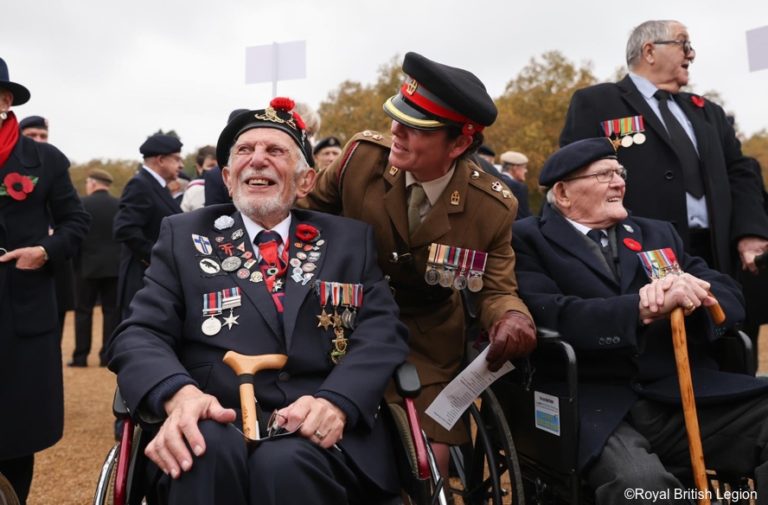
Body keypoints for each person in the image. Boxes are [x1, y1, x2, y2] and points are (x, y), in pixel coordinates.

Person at [108, 97, 409, 505]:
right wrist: (180, 395)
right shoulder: (182, 235)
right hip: (213, 415)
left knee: (283, 465)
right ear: (229, 178)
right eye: (245, 152)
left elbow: (382, 332)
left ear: (306, 181)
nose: (258, 161)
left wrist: (336, 402)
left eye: (276, 151)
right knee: (204, 449)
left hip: (314, 423)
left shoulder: (348, 241)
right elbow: (139, 334)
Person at [300, 51, 536, 474]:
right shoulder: (360, 159)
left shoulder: (492, 207)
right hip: (341, 324)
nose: (396, 132)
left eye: (415, 128)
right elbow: (305, 219)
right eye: (397, 118)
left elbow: (498, 288)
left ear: (459, 143)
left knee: (428, 461)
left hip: (424, 344)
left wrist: (512, 319)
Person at [512, 137, 768, 503]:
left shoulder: (656, 232)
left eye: (620, 172)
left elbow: (729, 294)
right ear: (564, 193)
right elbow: (550, 313)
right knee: (643, 488)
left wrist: (698, 292)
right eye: (604, 174)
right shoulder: (527, 239)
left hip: (680, 391)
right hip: (594, 403)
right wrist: (640, 309)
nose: (619, 182)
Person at [560, 19, 768, 278]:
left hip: (717, 256)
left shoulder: (708, 112)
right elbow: (575, 176)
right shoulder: (597, 103)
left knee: (721, 316)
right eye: (683, 44)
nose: (691, 53)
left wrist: (750, 231)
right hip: (638, 259)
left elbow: (741, 173)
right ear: (649, 52)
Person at [0, 56, 89, 504]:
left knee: (14, 433)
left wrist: (44, 251)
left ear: (5, 100)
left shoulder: (46, 159)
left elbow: (77, 222)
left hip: (21, 309)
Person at [19, 113, 76, 341]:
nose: (39, 140)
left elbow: (72, 218)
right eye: (32, 135)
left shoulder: (55, 170)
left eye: (43, 135)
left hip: (52, 266)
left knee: (51, 336)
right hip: (17, 269)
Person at [113, 133, 183, 321]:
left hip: (154, 278)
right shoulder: (140, 184)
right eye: (176, 159)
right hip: (141, 279)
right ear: (160, 160)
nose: (181, 165)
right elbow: (125, 228)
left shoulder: (157, 186)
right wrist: (156, 256)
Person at [71, 168, 120, 367]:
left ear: (92, 183)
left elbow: (75, 235)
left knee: (83, 311)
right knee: (111, 313)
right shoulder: (119, 205)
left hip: (86, 266)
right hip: (114, 267)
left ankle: (80, 356)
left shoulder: (82, 204)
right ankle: (107, 356)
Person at [181, 145, 217, 212]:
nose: (216, 170)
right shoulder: (193, 190)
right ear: (199, 167)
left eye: (218, 166)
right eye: (211, 166)